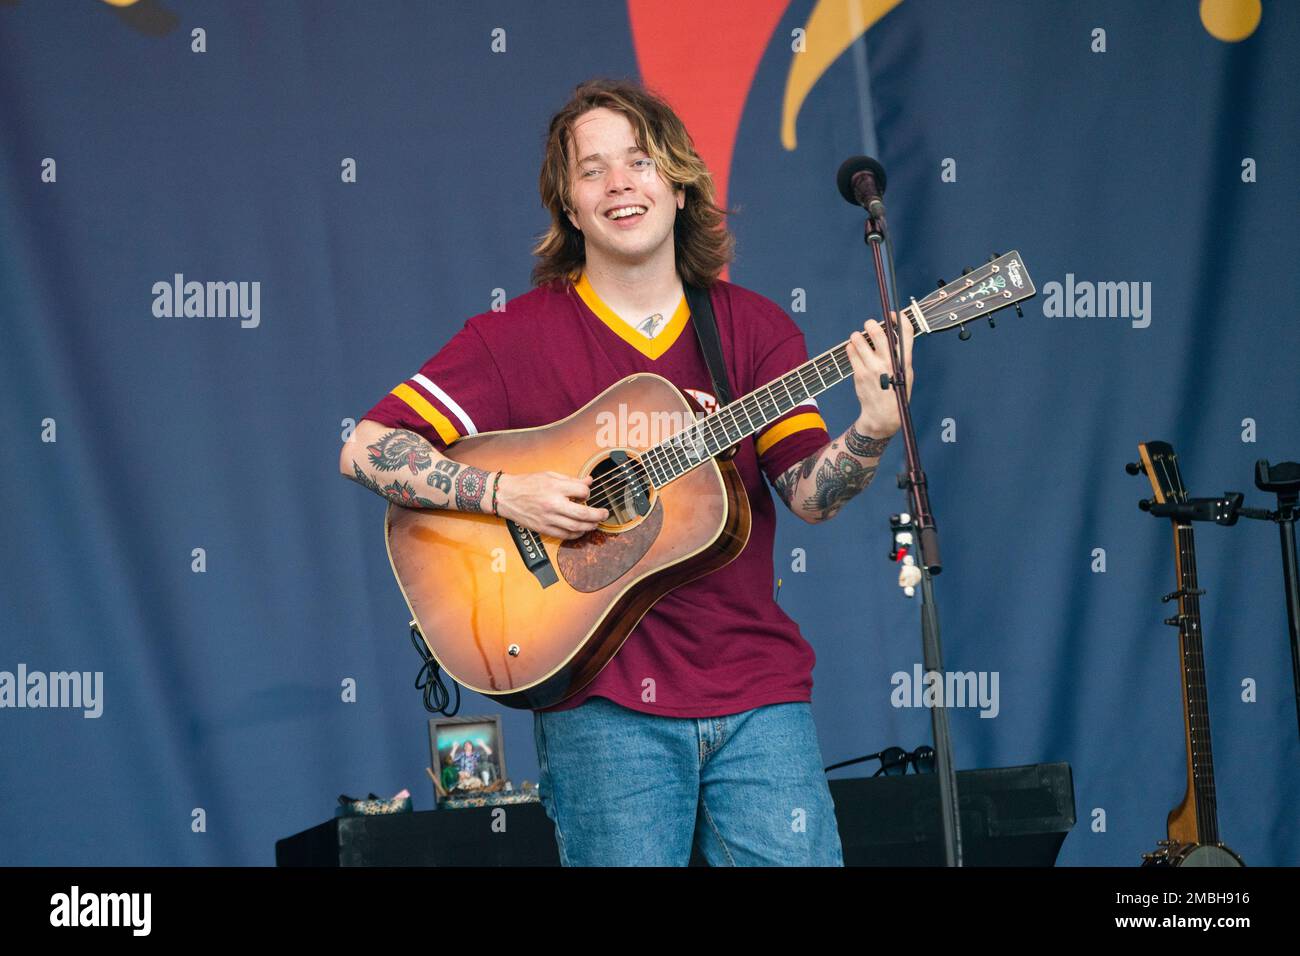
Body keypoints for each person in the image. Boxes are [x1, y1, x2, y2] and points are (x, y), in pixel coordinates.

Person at [339, 78, 914, 866]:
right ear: (569, 207)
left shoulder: (753, 327)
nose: (619, 185)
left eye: (640, 162)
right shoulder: (516, 336)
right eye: (592, 170)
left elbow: (811, 496)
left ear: (679, 184)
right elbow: (367, 446)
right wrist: (509, 492)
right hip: (602, 704)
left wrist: (875, 429)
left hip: (757, 692)